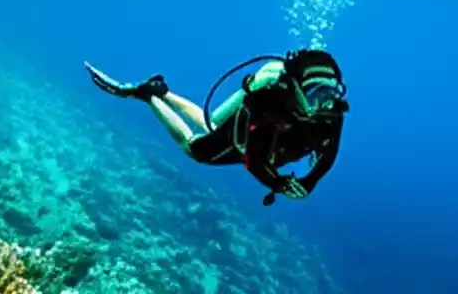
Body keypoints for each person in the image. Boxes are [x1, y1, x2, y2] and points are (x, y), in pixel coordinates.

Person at [84, 49, 348, 204]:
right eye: (316, 94)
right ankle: (147, 95)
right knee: (195, 150)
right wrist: (278, 184)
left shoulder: (331, 111)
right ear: (298, 90)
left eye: (330, 93)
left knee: (209, 123)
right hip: (245, 134)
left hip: (254, 133)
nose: (324, 103)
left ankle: (161, 91)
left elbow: (330, 153)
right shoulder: (273, 106)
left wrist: (309, 183)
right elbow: (253, 161)